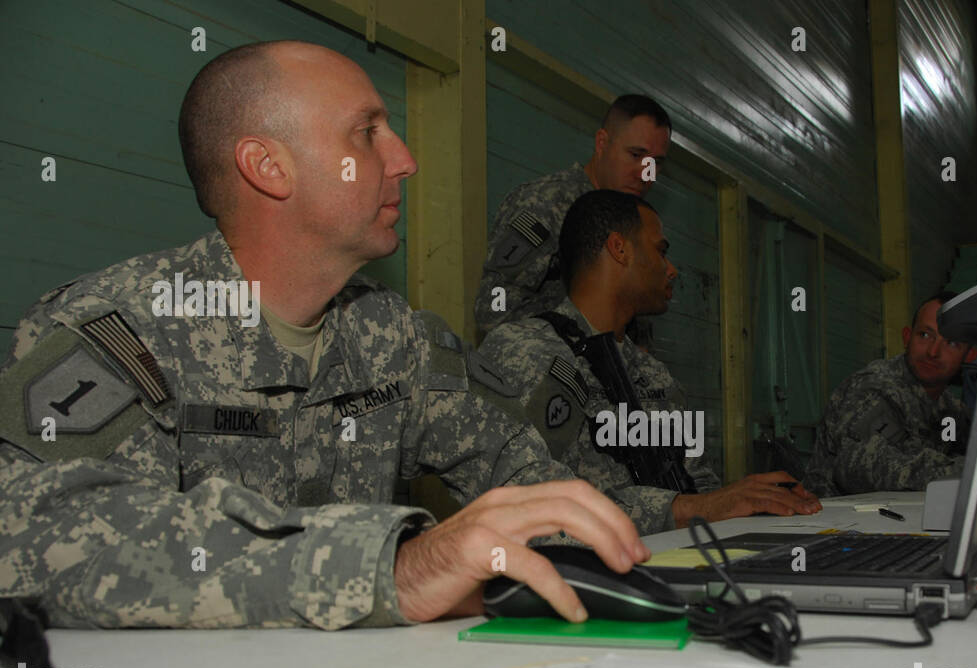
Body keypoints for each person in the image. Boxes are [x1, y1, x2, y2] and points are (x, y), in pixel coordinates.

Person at [0, 41, 648, 631]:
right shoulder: (117, 333)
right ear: (269, 167)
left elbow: (515, 461)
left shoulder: (392, 335)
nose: (405, 159)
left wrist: (596, 543)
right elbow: (33, 534)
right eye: (368, 133)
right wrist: (391, 567)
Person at [479, 189, 821, 534]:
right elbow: (527, 503)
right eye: (661, 251)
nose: (671, 270)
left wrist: (753, 504)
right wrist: (687, 509)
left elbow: (697, 485)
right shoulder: (525, 351)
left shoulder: (653, 375)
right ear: (620, 248)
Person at [473, 94, 672, 335]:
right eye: (635, 155)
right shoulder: (546, 204)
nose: (645, 174)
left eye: (655, 163)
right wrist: (562, 343)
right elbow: (493, 307)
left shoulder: (635, 220)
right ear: (602, 143)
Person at [805, 293, 976, 496]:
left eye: (952, 343)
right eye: (925, 335)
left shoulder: (952, 409)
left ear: (970, 355)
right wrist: (970, 472)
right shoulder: (873, 388)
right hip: (834, 519)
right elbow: (861, 466)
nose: (933, 352)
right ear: (906, 337)